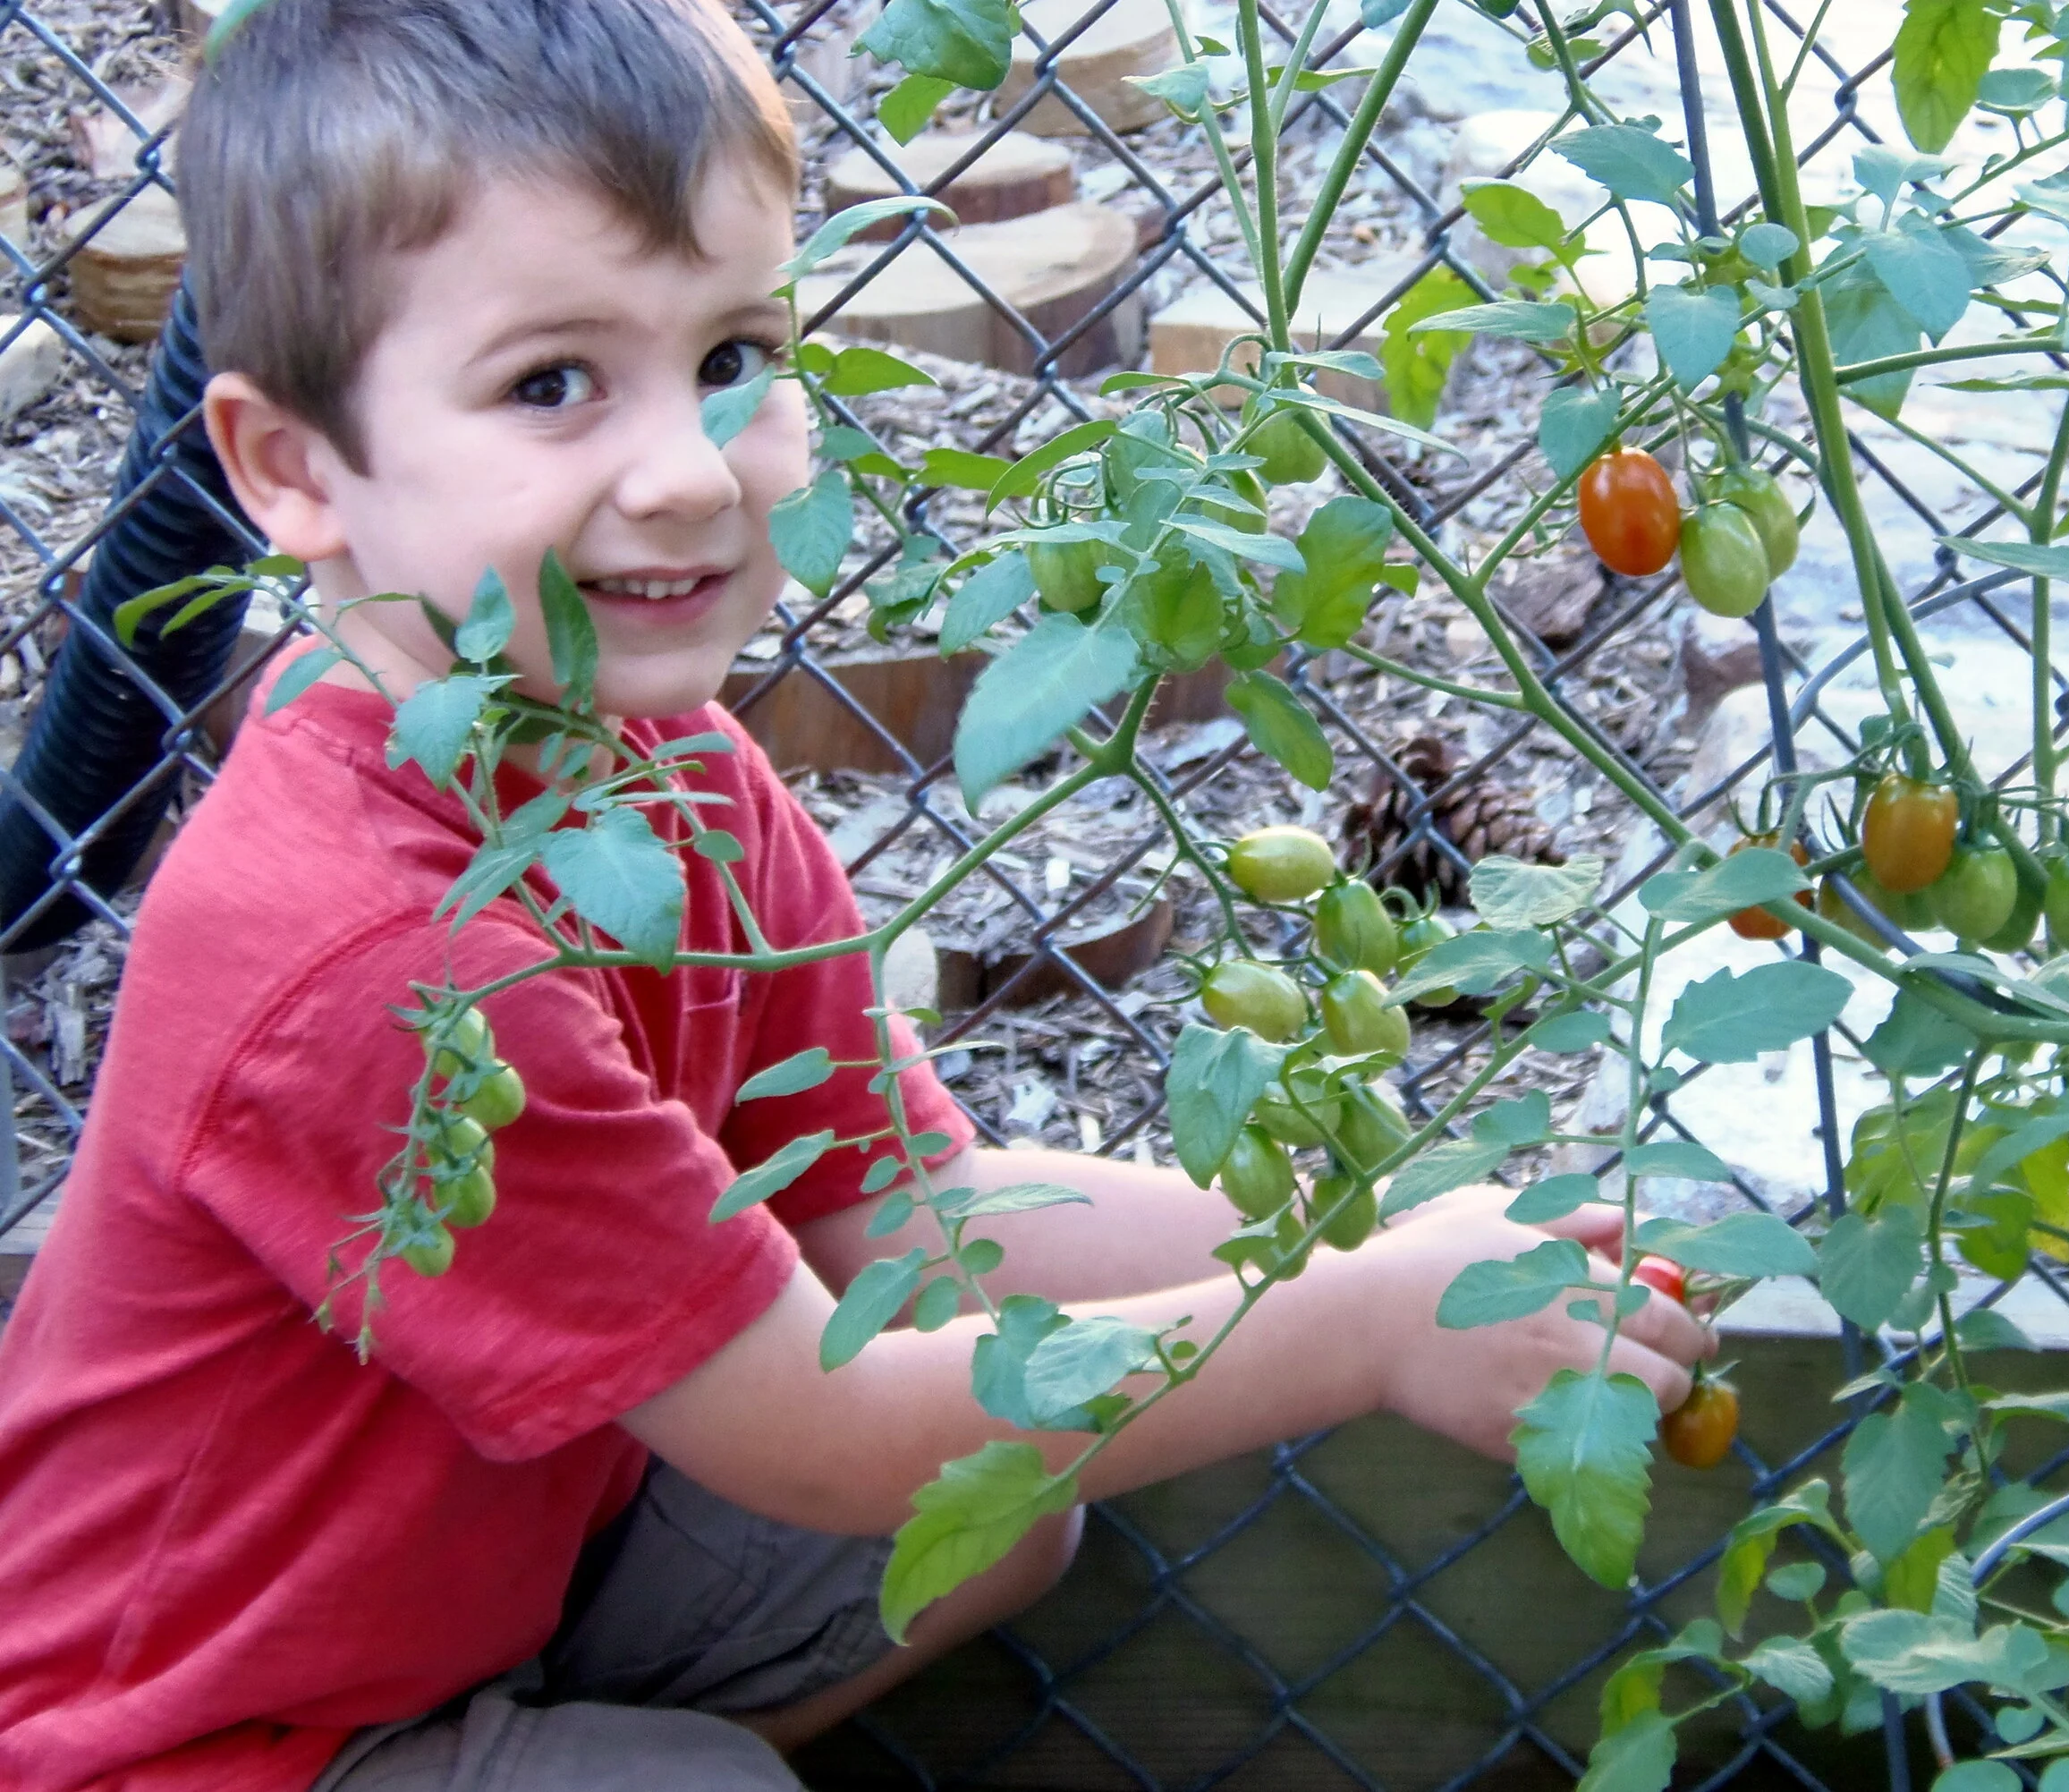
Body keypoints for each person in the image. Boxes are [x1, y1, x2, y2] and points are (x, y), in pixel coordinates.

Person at [0, 2, 1711, 1787]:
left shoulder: (671, 770)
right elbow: (820, 1422)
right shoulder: (371, 956)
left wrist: (1395, 1238)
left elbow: (908, 1203)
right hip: (175, 1734)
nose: (681, 469)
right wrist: (1354, 1321)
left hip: (470, 1574)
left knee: (991, 1511)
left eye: (733, 352)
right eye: (551, 383)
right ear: (289, 467)